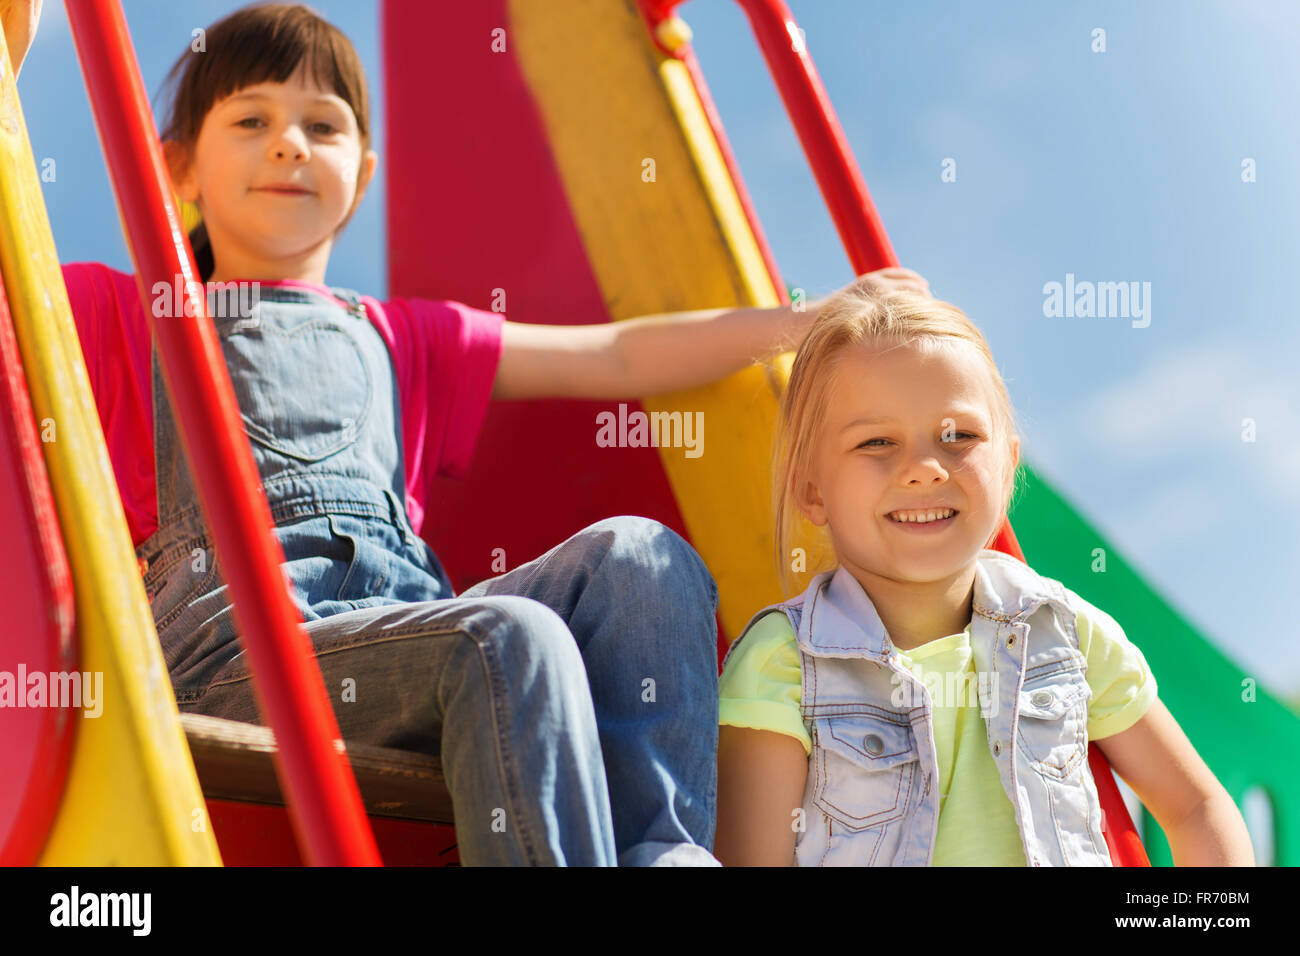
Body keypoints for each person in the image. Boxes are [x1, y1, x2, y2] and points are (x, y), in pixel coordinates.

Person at [2, 1, 931, 865]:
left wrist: (802, 323)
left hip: (399, 632)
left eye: (321, 126)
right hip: (232, 656)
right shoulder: (125, 313)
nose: (289, 145)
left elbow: (612, 356)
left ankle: (664, 853)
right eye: (251, 122)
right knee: (506, 639)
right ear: (176, 168)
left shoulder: (405, 337)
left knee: (642, 560)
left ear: (361, 173)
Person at [713, 286, 1255, 866]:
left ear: (1007, 465)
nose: (923, 468)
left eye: (960, 437)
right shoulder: (785, 662)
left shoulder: (1064, 632)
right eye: (876, 442)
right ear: (811, 489)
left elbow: (1196, 807)